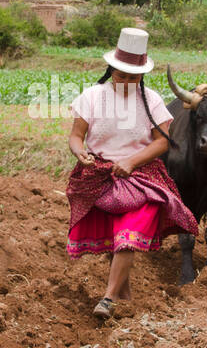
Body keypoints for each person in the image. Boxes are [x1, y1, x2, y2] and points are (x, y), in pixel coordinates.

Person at [66, 28, 198, 319]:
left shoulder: (152, 100)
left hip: (141, 179)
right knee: (115, 243)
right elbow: (76, 136)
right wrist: (80, 153)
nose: (126, 82)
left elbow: (162, 142)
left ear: (142, 76)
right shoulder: (92, 97)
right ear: (111, 70)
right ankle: (125, 300)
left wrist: (131, 162)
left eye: (133, 78)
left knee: (127, 238)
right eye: (121, 76)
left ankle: (108, 298)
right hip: (101, 176)